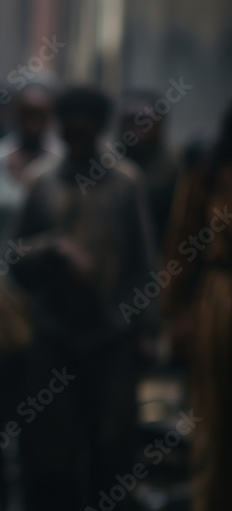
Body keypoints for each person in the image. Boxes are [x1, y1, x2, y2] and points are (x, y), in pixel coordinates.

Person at [10, 87, 156, 511]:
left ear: (100, 130)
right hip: (54, 339)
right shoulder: (41, 180)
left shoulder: (126, 184)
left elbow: (144, 264)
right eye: (68, 132)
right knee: (47, 458)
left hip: (112, 340)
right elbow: (15, 257)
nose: (76, 140)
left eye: (85, 132)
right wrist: (54, 248)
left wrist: (146, 330)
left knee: (112, 456)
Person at [0, 81, 63, 506]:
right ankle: (3, 492)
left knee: (41, 413)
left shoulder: (65, 167)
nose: (33, 123)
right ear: (15, 115)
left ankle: (36, 492)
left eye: (41, 114)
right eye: (26, 114)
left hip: (46, 307)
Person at [160, 102, 232, 511]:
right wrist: (176, 312)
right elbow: (181, 244)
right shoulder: (209, 169)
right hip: (219, 301)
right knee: (212, 419)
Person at [118, 89, 179, 253]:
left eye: (145, 122)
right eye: (130, 121)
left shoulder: (174, 169)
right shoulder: (107, 167)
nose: (136, 130)